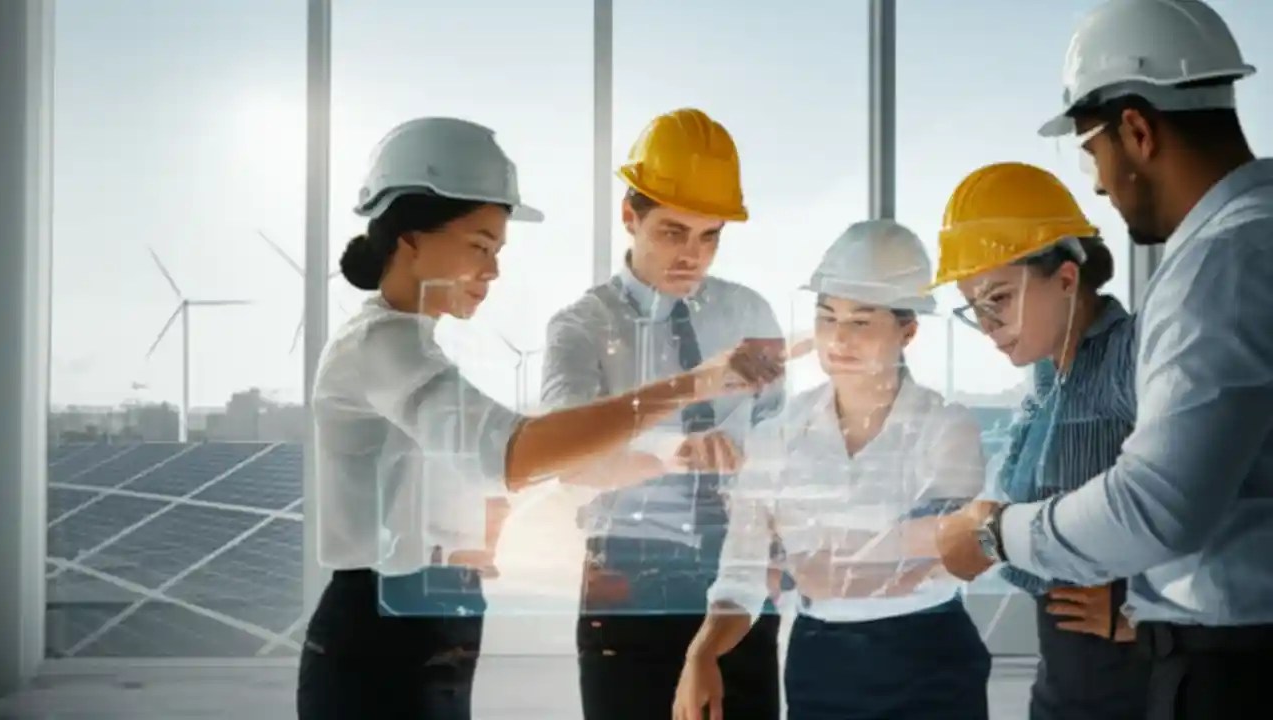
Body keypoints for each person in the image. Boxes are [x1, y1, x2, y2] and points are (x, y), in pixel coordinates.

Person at [296, 116, 785, 720]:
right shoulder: (381, 345)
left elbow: (484, 465)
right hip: (382, 628)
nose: (494, 271)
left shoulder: (416, 345)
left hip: (438, 617)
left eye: (497, 250)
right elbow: (512, 453)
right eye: (479, 246)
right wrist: (694, 388)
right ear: (409, 237)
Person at [934, 2, 1273, 718]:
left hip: (1226, 664)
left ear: (1136, 130)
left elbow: (1156, 506)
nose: (1096, 182)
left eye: (1091, 151)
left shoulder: (1223, 263)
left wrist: (995, 531)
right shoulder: (1239, 250)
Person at [674, 220, 991, 720]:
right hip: (821, 661)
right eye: (827, 318)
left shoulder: (947, 428)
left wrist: (818, 563)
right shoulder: (776, 436)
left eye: (861, 322)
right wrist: (703, 651)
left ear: (908, 330)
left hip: (929, 656)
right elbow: (743, 574)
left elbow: (947, 550)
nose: (838, 339)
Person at [540, 108, 788, 720]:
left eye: (709, 237)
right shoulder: (581, 328)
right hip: (629, 573)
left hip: (736, 565)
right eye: (673, 232)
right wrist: (668, 454)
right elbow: (566, 461)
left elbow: (782, 437)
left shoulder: (749, 312)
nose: (692, 257)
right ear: (631, 217)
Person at [929, 161, 1150, 719]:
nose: (985, 325)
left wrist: (1142, 608)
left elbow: (1221, 499)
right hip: (1063, 679)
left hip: (1137, 681)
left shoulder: (1137, 357)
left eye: (998, 299)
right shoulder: (1047, 377)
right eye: (973, 306)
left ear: (1067, 279)